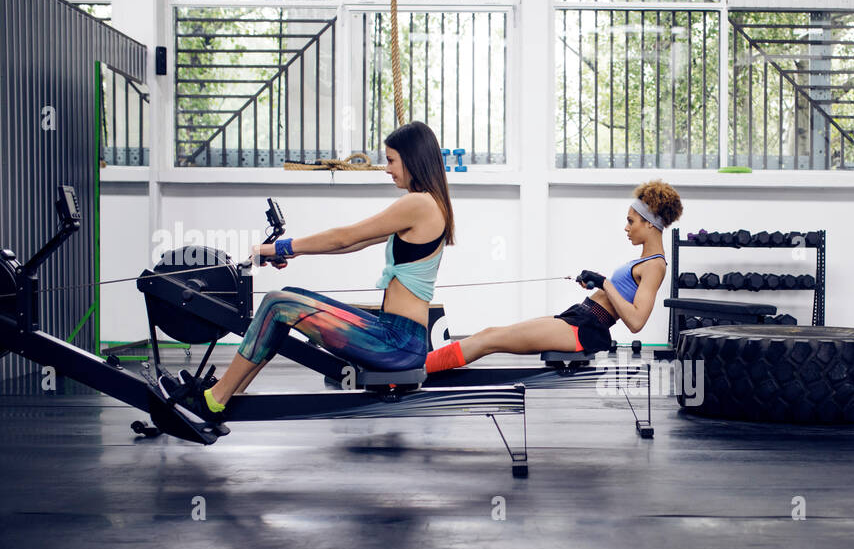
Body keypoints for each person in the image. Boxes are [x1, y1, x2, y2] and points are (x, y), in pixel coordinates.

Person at [170, 121, 453, 422]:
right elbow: (352, 244)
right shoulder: (429, 205)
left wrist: (280, 247)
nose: (387, 169)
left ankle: (214, 400)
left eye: (391, 160)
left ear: (412, 158)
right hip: (395, 336)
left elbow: (344, 237)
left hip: (396, 343)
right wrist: (290, 251)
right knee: (286, 297)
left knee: (277, 303)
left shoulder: (418, 204)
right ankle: (224, 394)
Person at [424, 179, 682, 373]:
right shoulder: (643, 261)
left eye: (631, 221)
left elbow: (636, 322)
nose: (626, 227)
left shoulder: (655, 265)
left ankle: (420, 369)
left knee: (490, 338)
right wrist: (597, 284)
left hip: (585, 328)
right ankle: (423, 366)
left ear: (650, 223)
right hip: (579, 316)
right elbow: (616, 296)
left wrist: (604, 283)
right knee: (490, 334)